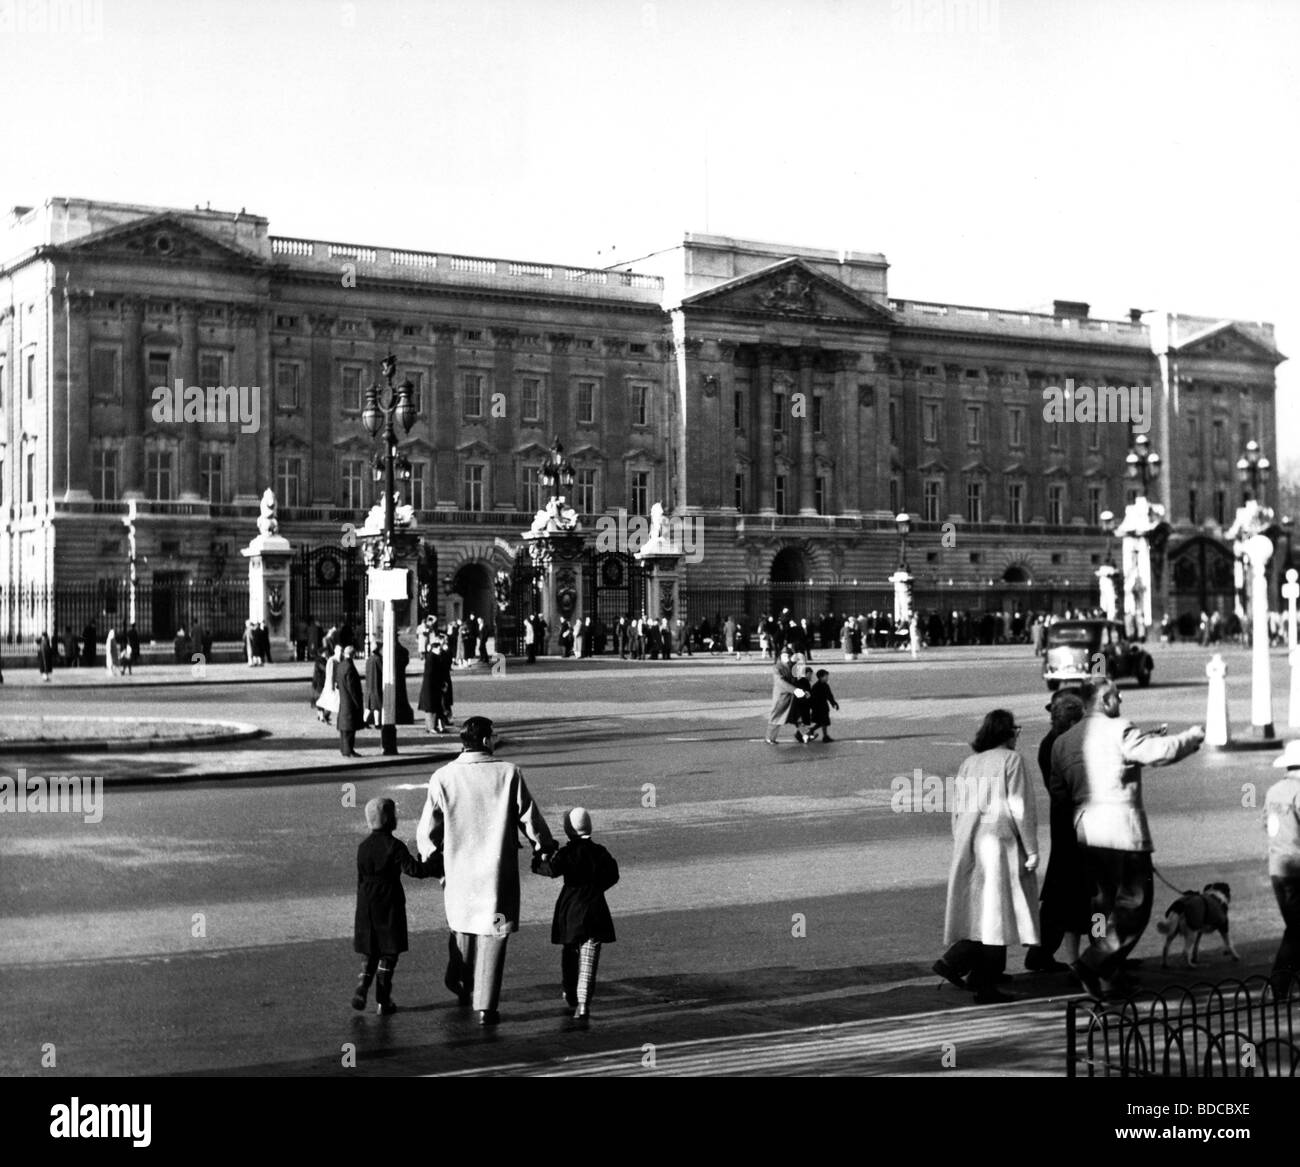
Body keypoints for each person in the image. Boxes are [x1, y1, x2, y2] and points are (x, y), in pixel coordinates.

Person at [1051, 679, 1205, 996]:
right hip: (1122, 834)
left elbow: (1058, 792)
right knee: (1135, 907)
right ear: (1105, 700)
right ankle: (1093, 963)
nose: (1120, 700)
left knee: (1101, 907)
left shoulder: (1062, 742)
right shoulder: (1118, 728)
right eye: (1117, 696)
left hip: (1087, 833)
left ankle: (1108, 975)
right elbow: (1160, 753)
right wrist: (1192, 737)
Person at [416, 716, 555, 1026]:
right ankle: (486, 1006)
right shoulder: (508, 774)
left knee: (463, 927)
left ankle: (461, 983)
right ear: (487, 740)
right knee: (494, 934)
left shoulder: (443, 777)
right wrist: (543, 848)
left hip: (460, 875)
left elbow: (427, 834)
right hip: (497, 876)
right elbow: (530, 819)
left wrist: (437, 865)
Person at [934, 709, 1040, 1004]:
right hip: (1000, 841)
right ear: (1008, 733)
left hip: (970, 839)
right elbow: (1020, 808)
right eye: (1015, 730)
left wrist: (961, 840)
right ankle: (982, 981)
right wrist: (1031, 850)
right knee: (998, 914)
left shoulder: (970, 762)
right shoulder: (1012, 760)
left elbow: (957, 807)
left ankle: (960, 964)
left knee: (982, 910)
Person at [351, 797, 441, 1015]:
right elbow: (415, 871)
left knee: (371, 950)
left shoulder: (363, 847)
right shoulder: (395, 846)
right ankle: (383, 998)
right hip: (389, 902)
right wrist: (436, 859)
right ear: (391, 820)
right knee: (389, 952)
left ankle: (363, 985)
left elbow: (360, 879)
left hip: (366, 902)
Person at [531, 807, 619, 1022]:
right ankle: (583, 1004)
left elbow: (549, 869)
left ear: (569, 830)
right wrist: (596, 888)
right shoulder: (601, 852)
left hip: (570, 912)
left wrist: (538, 858)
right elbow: (613, 875)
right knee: (589, 960)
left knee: (570, 955)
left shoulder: (567, 853)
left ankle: (570, 992)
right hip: (596, 911)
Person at [1024, 689, 1087, 973]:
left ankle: (1041, 951)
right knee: (1083, 894)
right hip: (1075, 824)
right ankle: (1092, 950)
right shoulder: (1061, 745)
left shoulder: (1050, 743)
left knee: (1058, 892)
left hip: (1063, 823)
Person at [1265, 742, 1300, 998]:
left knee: (1296, 927)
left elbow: (1266, 824)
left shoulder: (1273, 791)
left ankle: (1282, 985)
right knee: (1297, 930)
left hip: (1277, 868)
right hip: (1297, 870)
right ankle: (1279, 986)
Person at [765, 646, 811, 745]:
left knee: (797, 717)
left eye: (788, 655)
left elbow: (797, 681)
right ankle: (769, 738)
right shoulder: (777, 667)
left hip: (792, 697)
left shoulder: (793, 666)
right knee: (776, 718)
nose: (786, 657)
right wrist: (795, 691)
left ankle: (806, 734)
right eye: (784, 655)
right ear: (780, 656)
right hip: (782, 697)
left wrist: (803, 691)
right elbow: (781, 682)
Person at [419, 638, 452, 734]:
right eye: (439, 648)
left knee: (436, 708)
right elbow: (433, 675)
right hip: (431, 688)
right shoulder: (432, 658)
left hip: (434, 688)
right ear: (434, 649)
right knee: (431, 709)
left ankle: (436, 726)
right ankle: (431, 727)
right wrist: (441, 685)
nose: (440, 650)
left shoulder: (434, 657)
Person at [336, 645, 364, 756]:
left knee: (344, 728)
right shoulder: (349, 667)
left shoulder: (341, 665)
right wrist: (357, 702)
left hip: (343, 699)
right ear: (352, 654)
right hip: (350, 702)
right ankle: (348, 750)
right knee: (350, 728)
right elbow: (352, 688)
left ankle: (344, 749)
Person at [807, 669, 839, 743]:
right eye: (826, 676)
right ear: (821, 677)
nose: (827, 678)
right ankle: (825, 736)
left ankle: (811, 730)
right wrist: (813, 707)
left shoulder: (825, 685)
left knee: (821, 722)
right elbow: (812, 698)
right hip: (818, 708)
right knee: (823, 722)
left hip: (823, 707)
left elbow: (829, 696)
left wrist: (834, 703)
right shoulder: (816, 687)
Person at [316, 644, 342, 726]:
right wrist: (331, 685)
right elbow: (330, 674)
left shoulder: (338, 660)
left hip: (337, 684)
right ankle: (324, 716)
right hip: (331, 684)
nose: (341, 653)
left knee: (333, 702)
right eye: (339, 651)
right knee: (331, 702)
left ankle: (324, 716)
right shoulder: (332, 660)